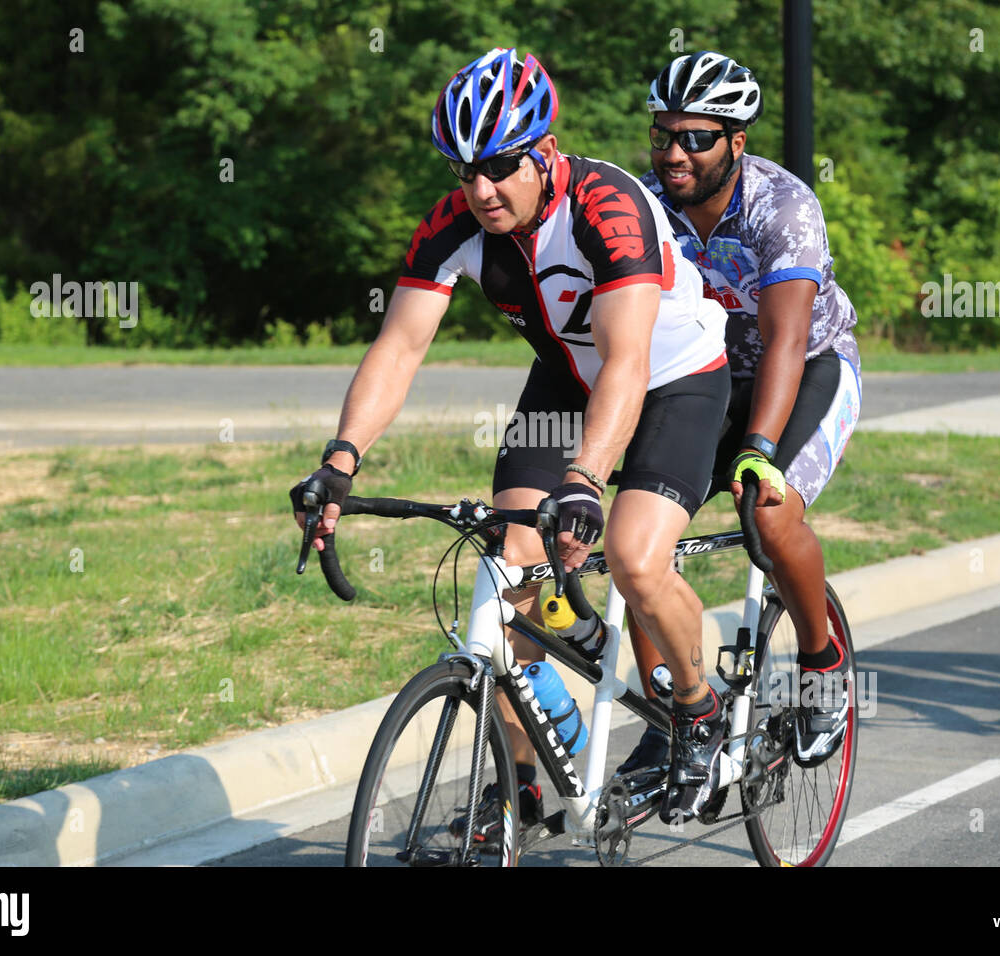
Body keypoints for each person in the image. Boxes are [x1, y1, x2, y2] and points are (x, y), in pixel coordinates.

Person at [290, 47, 732, 840]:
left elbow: (628, 362)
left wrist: (586, 480)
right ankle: (518, 791)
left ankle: (697, 712)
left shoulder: (607, 205)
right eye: (465, 173)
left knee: (633, 556)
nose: (481, 191)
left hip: (672, 379)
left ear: (547, 154)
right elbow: (400, 347)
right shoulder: (455, 224)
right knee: (505, 582)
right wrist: (340, 459)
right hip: (567, 382)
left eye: (499, 167)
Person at [619, 50, 863, 778]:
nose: (675, 153)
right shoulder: (644, 204)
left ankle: (823, 668)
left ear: (736, 142)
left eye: (695, 137)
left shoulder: (781, 207)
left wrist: (758, 446)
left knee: (768, 506)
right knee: (639, 535)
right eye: (664, 135)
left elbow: (788, 339)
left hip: (807, 366)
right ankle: (673, 714)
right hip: (706, 376)